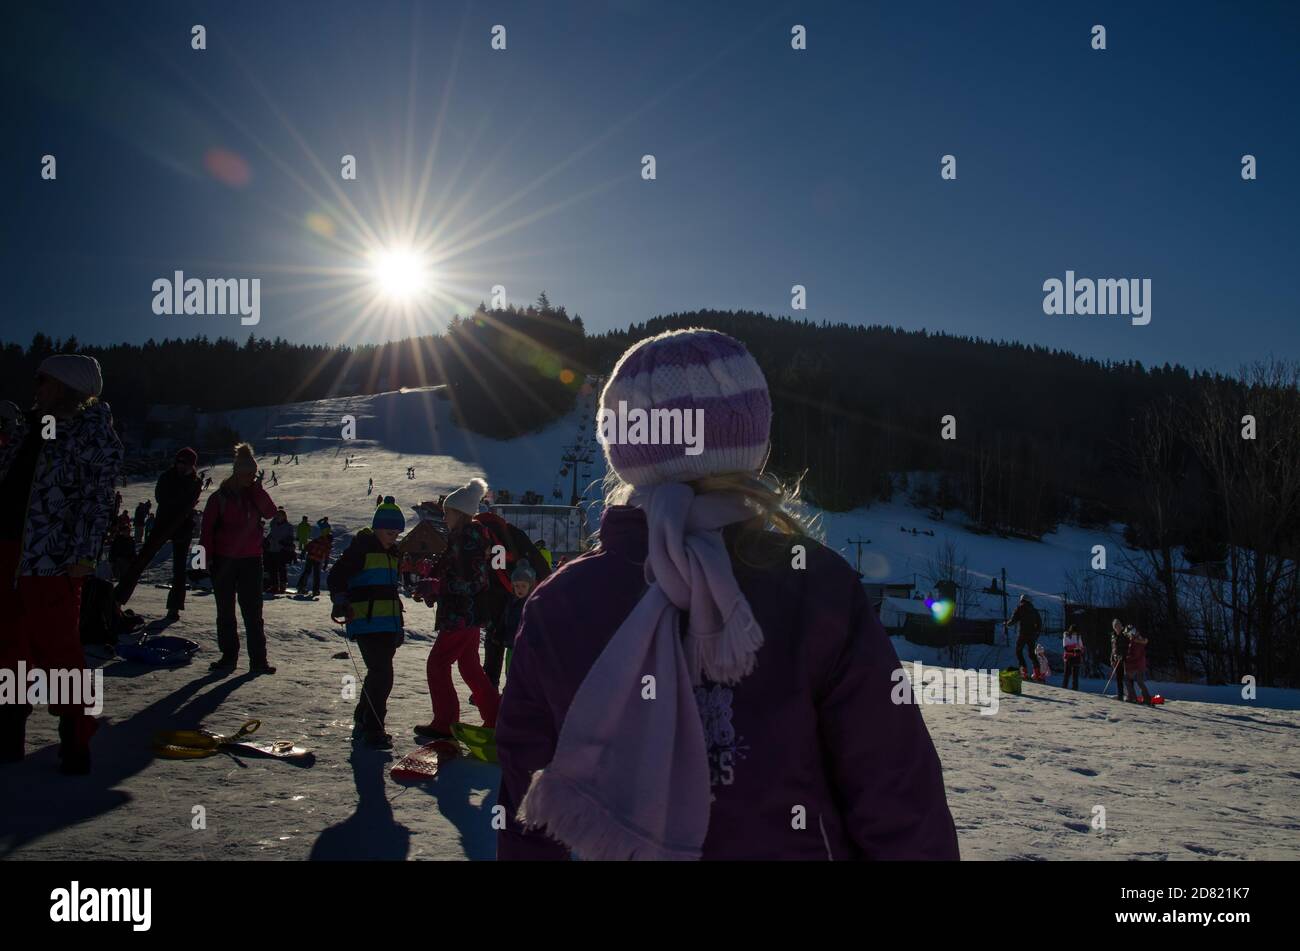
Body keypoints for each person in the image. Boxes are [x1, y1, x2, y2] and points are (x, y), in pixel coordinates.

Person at [496, 328, 958, 860]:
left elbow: (526, 804)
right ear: (752, 441)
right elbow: (894, 785)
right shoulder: (815, 584)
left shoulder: (560, 603)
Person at [0, 354, 122, 774]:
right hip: (8, 550)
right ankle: (9, 724)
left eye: (43, 380)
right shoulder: (29, 428)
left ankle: (75, 733)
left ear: (66, 386)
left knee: (58, 650)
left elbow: (97, 501)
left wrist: (84, 555)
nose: (36, 387)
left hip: (51, 557)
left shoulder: (91, 433)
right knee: (8, 644)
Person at [415, 477, 500, 740]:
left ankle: (445, 721)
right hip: (469, 615)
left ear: (458, 513)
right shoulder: (464, 538)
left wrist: (438, 587)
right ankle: (496, 718)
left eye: (447, 512)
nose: (444, 517)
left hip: (460, 615)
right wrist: (431, 582)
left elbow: (473, 581)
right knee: (470, 667)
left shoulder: (467, 539)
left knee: (438, 664)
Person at [328, 501, 407, 748]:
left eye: (396, 535)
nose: (393, 539)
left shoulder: (392, 554)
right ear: (376, 529)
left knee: (378, 674)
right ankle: (373, 728)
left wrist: (398, 625)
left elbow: (392, 592)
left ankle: (363, 716)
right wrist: (340, 600)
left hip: (387, 623)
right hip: (365, 621)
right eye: (389, 533)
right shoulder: (361, 549)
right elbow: (336, 576)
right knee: (382, 674)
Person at [199, 443, 278, 674]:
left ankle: (258, 661)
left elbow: (271, 512)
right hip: (224, 560)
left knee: (253, 613)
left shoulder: (253, 495)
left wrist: (257, 490)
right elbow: (206, 531)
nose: (249, 479)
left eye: (252, 475)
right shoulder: (219, 498)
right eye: (246, 475)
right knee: (225, 611)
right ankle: (229, 657)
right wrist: (202, 562)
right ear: (236, 472)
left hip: (251, 560)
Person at [153, 447, 202, 621]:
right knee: (144, 557)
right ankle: (118, 600)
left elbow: (189, 502)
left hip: (182, 527)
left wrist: (179, 502)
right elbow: (161, 497)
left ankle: (174, 607)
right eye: (179, 462)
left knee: (179, 569)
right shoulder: (167, 476)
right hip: (163, 524)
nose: (181, 466)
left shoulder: (195, 481)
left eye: (185, 463)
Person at [485, 560, 535, 690]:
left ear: (530, 586)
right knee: (510, 672)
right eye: (517, 586)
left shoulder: (531, 604)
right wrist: (499, 632)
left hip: (525, 648)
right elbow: (505, 619)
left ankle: (516, 695)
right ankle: (510, 694)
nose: (520, 589)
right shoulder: (511, 601)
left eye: (523, 586)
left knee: (522, 674)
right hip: (511, 646)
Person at [1006, 594, 1043, 681]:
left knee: (1018, 652)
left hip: (1022, 634)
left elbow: (1013, 620)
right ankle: (1037, 674)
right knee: (1032, 654)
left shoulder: (1020, 608)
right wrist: (1036, 633)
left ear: (1022, 600)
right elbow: (1040, 623)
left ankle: (1024, 673)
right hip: (1032, 635)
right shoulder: (1034, 610)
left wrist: (1007, 624)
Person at [264, 507, 295, 595]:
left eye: (280, 516)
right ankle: (274, 585)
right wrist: (267, 541)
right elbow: (271, 534)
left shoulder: (288, 527)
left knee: (281, 568)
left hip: (281, 550)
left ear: (284, 517)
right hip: (272, 549)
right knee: (272, 569)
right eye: (277, 516)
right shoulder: (273, 524)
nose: (278, 517)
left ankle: (282, 585)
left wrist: (285, 543)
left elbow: (290, 538)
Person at [1123, 626, 1153, 704]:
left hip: (1136, 665)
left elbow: (1135, 655)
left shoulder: (1136, 641)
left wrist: (1126, 658)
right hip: (1138, 665)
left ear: (1131, 633)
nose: (1128, 636)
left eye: (1128, 634)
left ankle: (1133, 697)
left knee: (1128, 679)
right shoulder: (1136, 640)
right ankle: (1145, 699)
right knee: (1139, 681)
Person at [298, 529, 331, 597]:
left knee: (307, 572)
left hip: (310, 558)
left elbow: (307, 546)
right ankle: (315, 590)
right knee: (316, 576)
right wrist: (325, 564)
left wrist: (303, 553)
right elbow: (327, 556)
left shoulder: (317, 540)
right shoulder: (327, 545)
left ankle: (301, 587)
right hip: (318, 560)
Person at [109, 513, 136, 580]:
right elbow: (113, 549)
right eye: (126, 531)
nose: (128, 533)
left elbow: (133, 550)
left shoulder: (131, 540)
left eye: (128, 531)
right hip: (119, 559)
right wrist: (112, 559)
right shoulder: (118, 539)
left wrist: (133, 558)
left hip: (128, 560)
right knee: (118, 575)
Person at [1109, 618, 1129, 700]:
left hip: (1124, 659)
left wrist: (1123, 655)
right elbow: (1113, 648)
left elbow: (1127, 647)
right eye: (1115, 626)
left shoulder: (1125, 634)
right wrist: (1111, 658)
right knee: (1118, 678)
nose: (1117, 627)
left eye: (1118, 625)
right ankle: (1120, 695)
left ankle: (1129, 695)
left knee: (1126, 678)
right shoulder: (1113, 635)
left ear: (1121, 626)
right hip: (1116, 659)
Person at [1061, 624, 1084, 690]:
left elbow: (1081, 647)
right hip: (1068, 657)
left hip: (1076, 657)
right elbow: (1066, 647)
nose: (1075, 633)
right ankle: (1064, 687)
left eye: (1076, 632)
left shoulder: (1078, 636)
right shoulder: (1066, 636)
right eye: (1074, 632)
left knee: (1075, 675)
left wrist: (1075, 648)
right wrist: (1075, 647)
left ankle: (1075, 688)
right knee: (1067, 674)